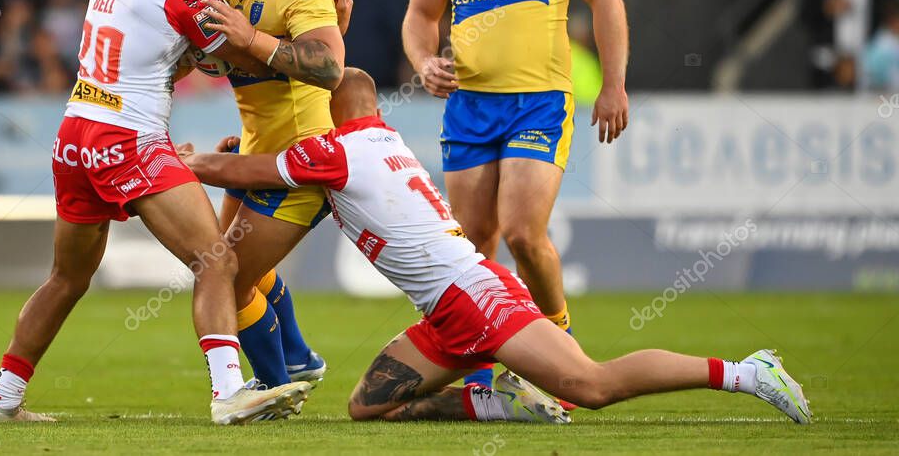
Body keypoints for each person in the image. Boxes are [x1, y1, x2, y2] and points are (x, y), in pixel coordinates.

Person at [178, 67, 811, 426]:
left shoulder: (336, 150)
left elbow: (248, 175)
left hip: (477, 296)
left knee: (589, 386)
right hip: (445, 310)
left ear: (335, 110)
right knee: (368, 407)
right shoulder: (381, 142)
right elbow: (256, 183)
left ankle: (746, 371)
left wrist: (189, 160)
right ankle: (496, 400)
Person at [0, 0, 311, 425]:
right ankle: (229, 394)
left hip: (75, 135)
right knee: (216, 259)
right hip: (128, 138)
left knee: (66, 278)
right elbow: (246, 56)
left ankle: (3, 399)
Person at [401, 0, 630, 390]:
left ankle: (561, 346)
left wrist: (613, 83)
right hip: (470, 106)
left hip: (539, 101)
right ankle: (481, 373)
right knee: (472, 246)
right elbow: (421, 16)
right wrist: (424, 62)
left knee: (524, 233)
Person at [196, 0, 352, 393]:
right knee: (232, 268)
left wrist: (248, 39)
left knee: (229, 278)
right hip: (252, 154)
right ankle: (299, 360)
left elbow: (330, 69)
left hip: (303, 161)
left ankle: (274, 386)